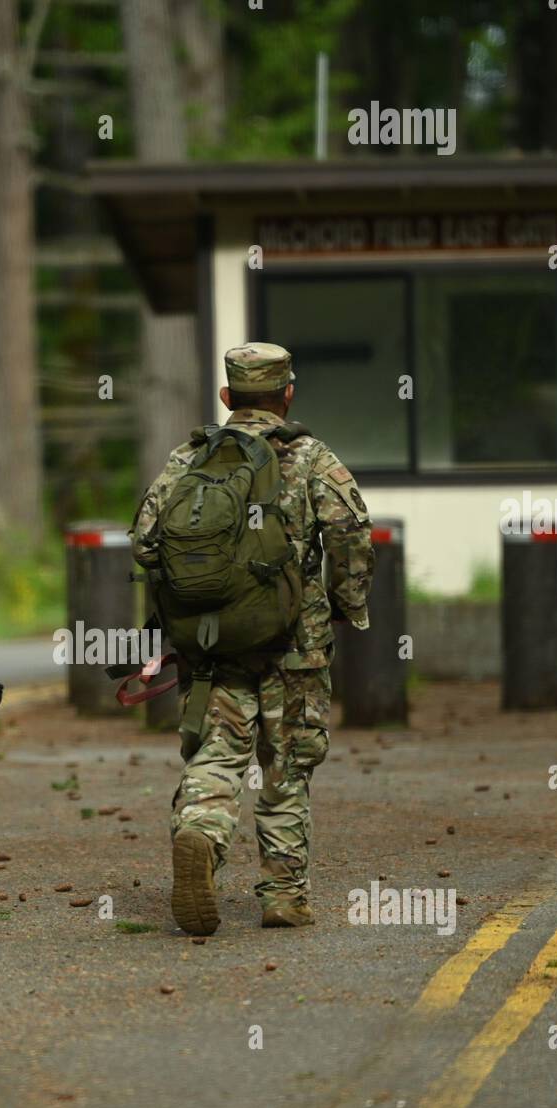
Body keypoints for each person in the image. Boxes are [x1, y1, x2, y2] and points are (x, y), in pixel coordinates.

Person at [130, 342, 374, 933]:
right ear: (288, 394)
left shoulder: (190, 458)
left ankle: (201, 833)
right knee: (287, 765)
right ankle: (284, 896)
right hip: (296, 640)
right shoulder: (311, 456)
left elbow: (144, 541)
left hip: (213, 642)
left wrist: (175, 623)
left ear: (226, 397)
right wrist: (347, 606)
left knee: (217, 756)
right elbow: (349, 532)